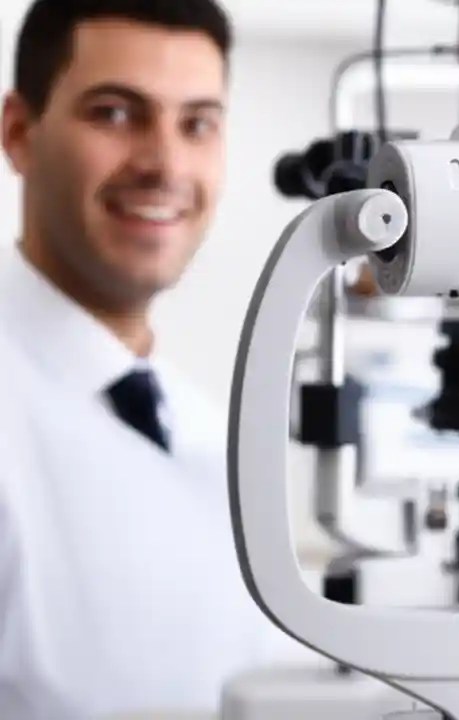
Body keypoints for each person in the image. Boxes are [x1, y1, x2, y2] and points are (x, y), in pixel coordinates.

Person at [0, 1, 295, 717]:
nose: (164, 164)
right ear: (19, 134)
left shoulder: (206, 430)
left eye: (197, 124)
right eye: (114, 113)